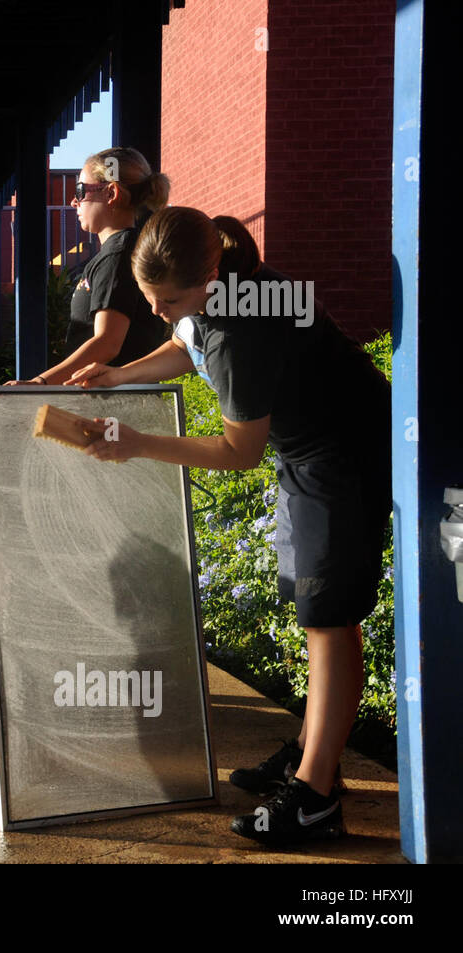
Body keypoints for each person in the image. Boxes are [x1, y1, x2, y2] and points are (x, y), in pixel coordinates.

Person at [68, 207, 391, 846]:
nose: (159, 311)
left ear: (211, 276)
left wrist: (135, 443)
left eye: (170, 299)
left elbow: (239, 452)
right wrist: (119, 374)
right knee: (312, 609)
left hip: (344, 453)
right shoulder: (217, 290)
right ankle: (309, 752)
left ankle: (317, 795)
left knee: (328, 620)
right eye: (149, 298)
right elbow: (185, 346)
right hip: (309, 452)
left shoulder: (244, 324)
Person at [8, 147, 170, 385]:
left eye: (81, 190)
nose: (74, 201)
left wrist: (39, 383)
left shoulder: (118, 254)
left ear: (111, 193)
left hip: (116, 403)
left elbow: (107, 343)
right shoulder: (122, 250)